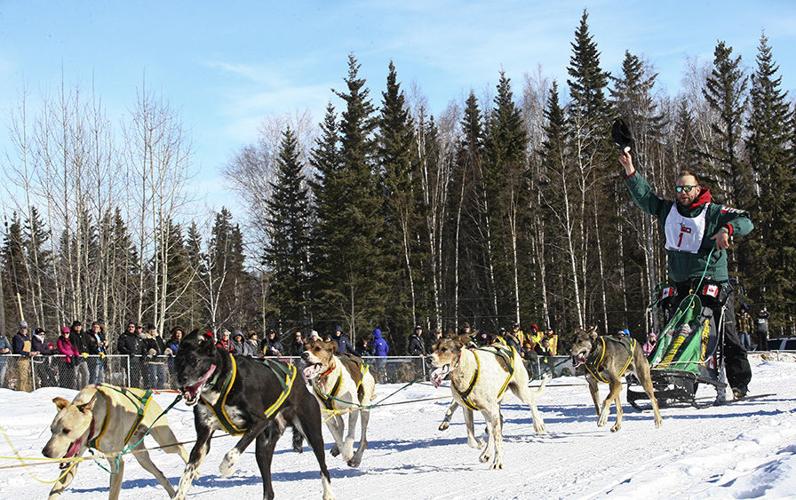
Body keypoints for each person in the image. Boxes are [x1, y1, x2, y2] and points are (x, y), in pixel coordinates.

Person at [620, 149, 754, 399]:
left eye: (687, 189)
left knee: (725, 334)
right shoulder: (668, 210)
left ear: (697, 189)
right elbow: (646, 198)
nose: (682, 193)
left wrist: (727, 230)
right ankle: (680, 381)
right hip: (681, 284)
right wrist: (631, 172)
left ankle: (739, 383)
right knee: (677, 333)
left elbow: (746, 220)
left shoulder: (713, 211)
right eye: (678, 189)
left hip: (712, 281)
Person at [12, 321, 37, 391]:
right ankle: (21, 392)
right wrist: (28, 353)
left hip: (27, 360)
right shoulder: (17, 337)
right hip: (21, 360)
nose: (23, 329)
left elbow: (30, 348)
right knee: (22, 378)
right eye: (22, 328)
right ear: (19, 328)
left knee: (27, 377)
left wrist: (34, 352)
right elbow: (17, 350)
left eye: (25, 328)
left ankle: (28, 392)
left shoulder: (27, 337)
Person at [117, 321, 144, 387]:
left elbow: (142, 346)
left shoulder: (137, 337)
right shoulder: (124, 336)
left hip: (137, 360)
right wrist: (129, 352)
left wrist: (144, 353)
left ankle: (137, 389)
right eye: (129, 327)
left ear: (135, 328)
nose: (131, 328)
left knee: (137, 376)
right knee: (131, 376)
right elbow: (120, 347)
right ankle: (131, 389)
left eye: (132, 327)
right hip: (128, 359)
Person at [142, 324, 168, 389]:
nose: (152, 331)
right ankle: (153, 389)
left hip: (160, 361)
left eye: (153, 329)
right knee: (153, 378)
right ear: (148, 330)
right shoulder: (146, 339)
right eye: (151, 330)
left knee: (162, 377)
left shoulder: (158, 338)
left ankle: (160, 389)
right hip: (152, 361)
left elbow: (163, 346)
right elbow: (144, 348)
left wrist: (167, 350)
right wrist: (149, 351)